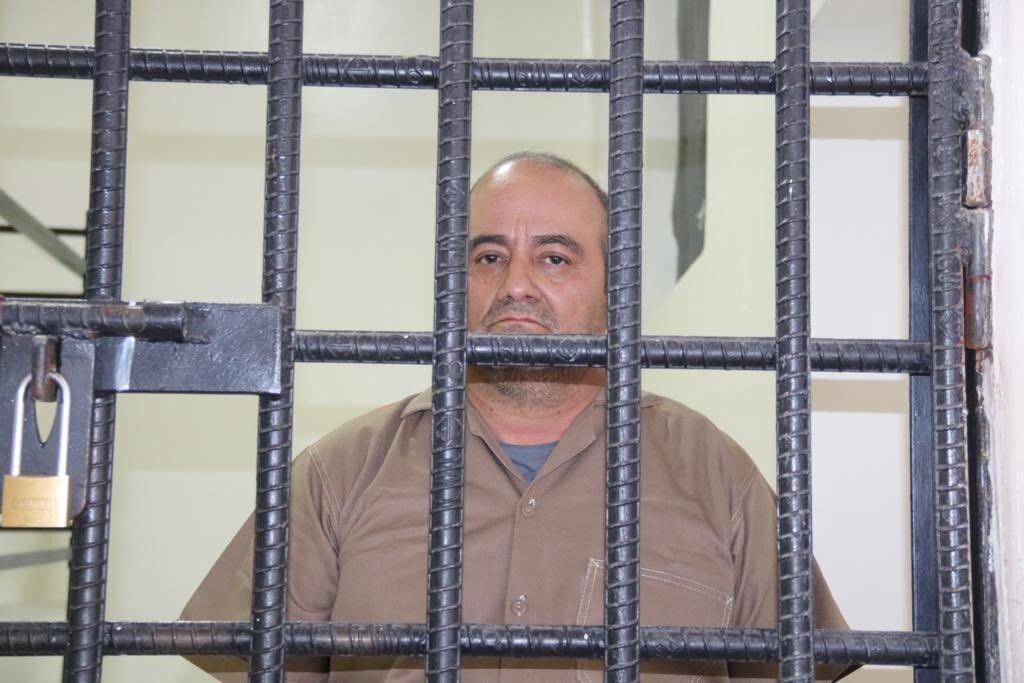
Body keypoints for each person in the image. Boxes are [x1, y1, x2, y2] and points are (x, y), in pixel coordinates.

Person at [181, 152, 852, 681]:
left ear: (615, 287)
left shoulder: (715, 475)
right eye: (489, 257)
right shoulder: (340, 473)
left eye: (554, 257)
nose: (517, 284)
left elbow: (798, 666)